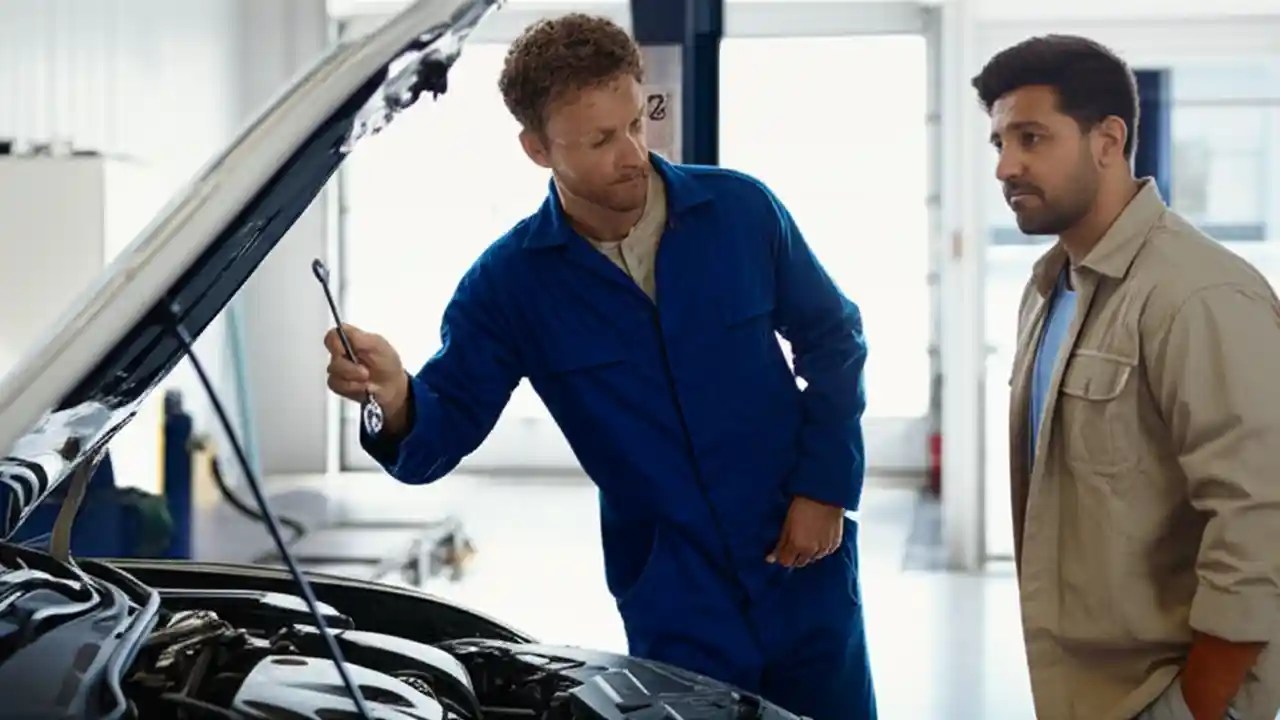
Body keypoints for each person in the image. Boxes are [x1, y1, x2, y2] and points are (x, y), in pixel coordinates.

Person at [323, 13, 876, 720]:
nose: (634, 153)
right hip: (673, 586)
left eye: (637, 122)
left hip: (800, 558)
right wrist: (395, 397)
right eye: (600, 140)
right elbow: (436, 437)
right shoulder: (509, 286)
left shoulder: (741, 212)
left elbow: (835, 338)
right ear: (536, 148)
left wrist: (825, 487)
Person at [973, 34, 1280, 720]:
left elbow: (1260, 516)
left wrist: (1197, 702)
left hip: (1174, 694)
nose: (1006, 166)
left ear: (1107, 139)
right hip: (1083, 690)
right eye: (998, 143)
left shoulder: (1198, 294)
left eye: (1031, 138)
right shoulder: (1049, 287)